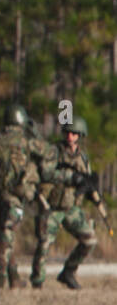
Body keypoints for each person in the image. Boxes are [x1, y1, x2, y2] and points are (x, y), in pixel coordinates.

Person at [0, 104, 75, 289]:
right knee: (8, 233)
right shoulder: (26, 140)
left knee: (5, 233)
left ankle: (14, 277)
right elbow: (51, 152)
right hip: (16, 194)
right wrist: (35, 133)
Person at [30, 118, 101, 290]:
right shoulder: (54, 152)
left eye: (74, 133)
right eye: (68, 133)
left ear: (80, 135)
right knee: (44, 243)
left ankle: (68, 272)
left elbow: (86, 179)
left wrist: (91, 193)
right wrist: (70, 177)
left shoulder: (82, 157)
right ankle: (37, 282)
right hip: (52, 207)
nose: (70, 136)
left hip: (71, 208)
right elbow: (46, 173)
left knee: (89, 240)